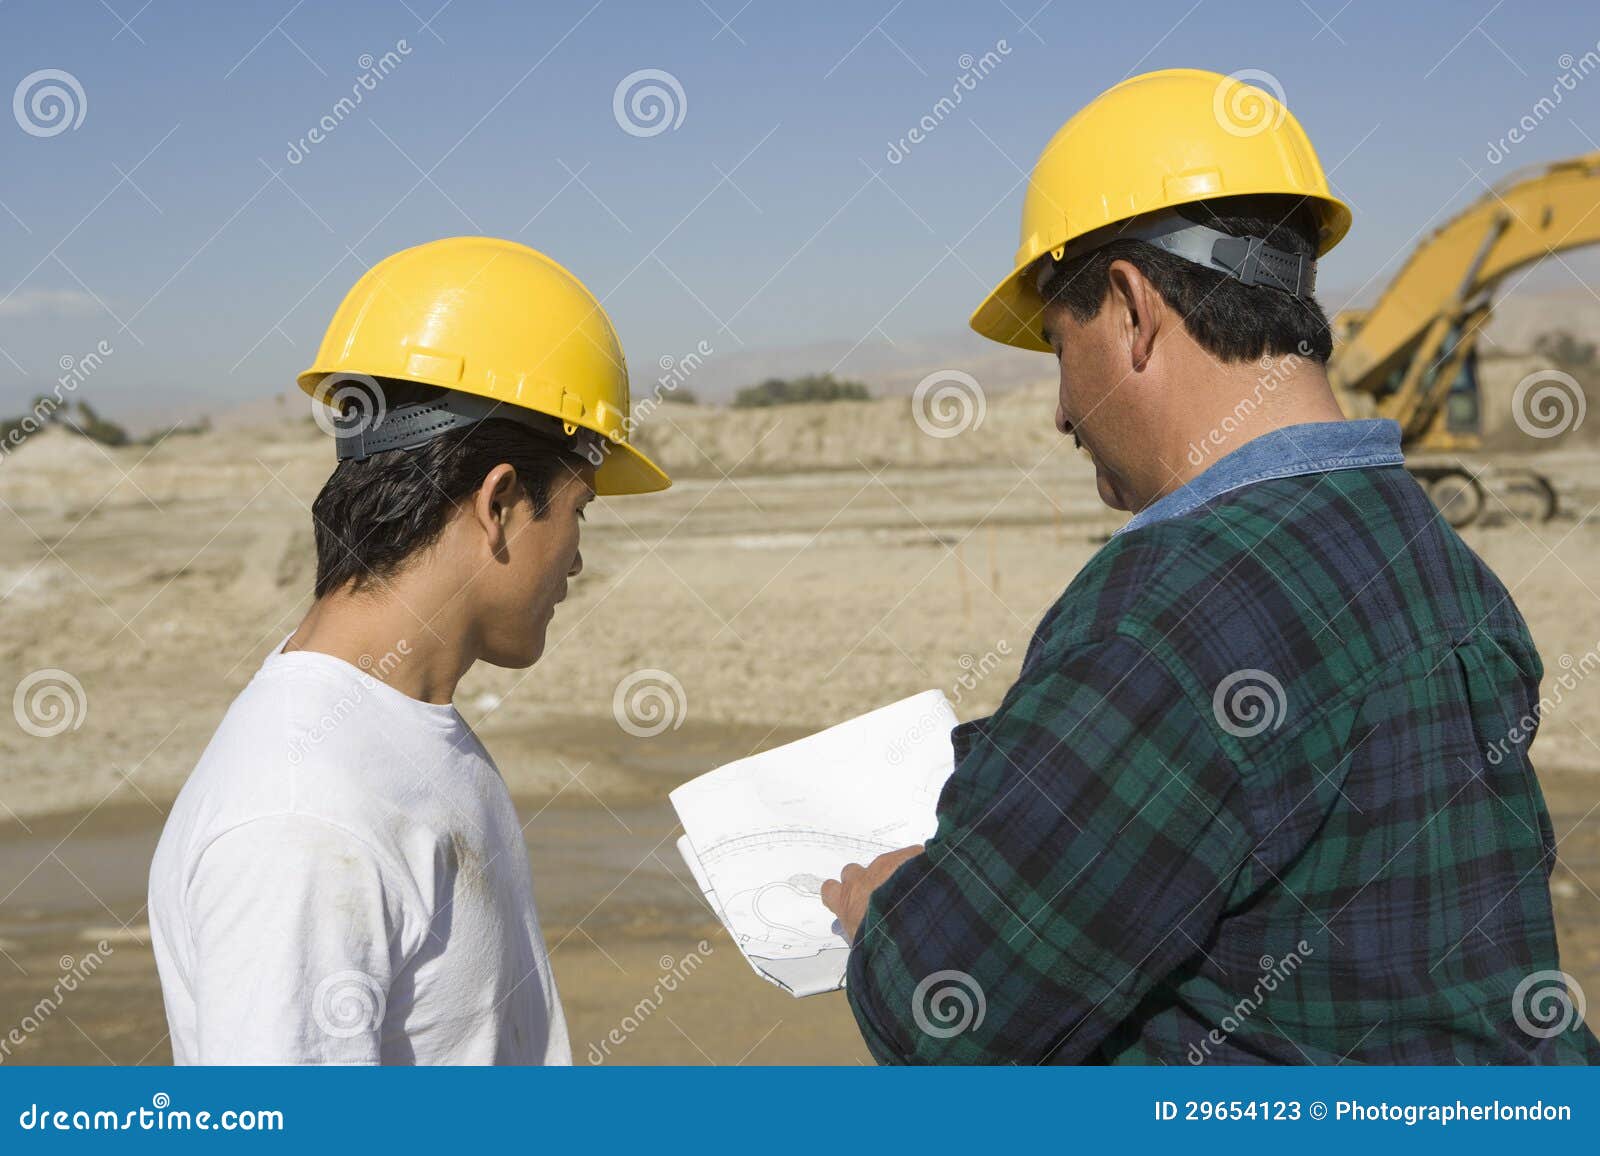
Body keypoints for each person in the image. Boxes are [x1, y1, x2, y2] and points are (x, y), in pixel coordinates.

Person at [821, 68, 1598, 1064]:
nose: (1061, 409)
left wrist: (890, 914)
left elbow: (945, 1015)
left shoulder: (1167, 610)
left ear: (1131, 306)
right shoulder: (1431, 555)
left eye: (1061, 346)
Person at [148, 237, 670, 1064]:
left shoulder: (398, 728)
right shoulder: (301, 819)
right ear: (499, 502)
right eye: (579, 512)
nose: (576, 557)